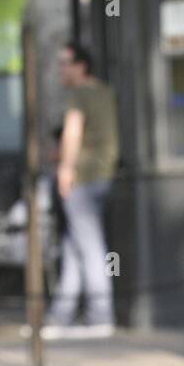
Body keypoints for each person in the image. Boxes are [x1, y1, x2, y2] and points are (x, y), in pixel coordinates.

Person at [41, 42, 118, 339]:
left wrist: (65, 169)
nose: (60, 69)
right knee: (74, 248)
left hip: (82, 179)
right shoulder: (104, 92)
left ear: (81, 65)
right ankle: (60, 318)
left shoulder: (79, 95)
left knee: (90, 250)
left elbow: (72, 134)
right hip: (101, 177)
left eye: (65, 63)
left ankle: (100, 317)